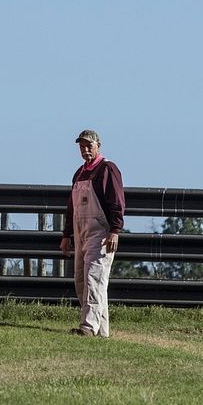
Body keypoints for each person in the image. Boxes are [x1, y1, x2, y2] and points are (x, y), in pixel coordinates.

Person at [59, 129, 124, 337]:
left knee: (93, 279)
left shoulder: (107, 169)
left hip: (101, 233)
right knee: (81, 280)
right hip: (80, 233)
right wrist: (66, 235)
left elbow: (116, 202)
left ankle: (87, 327)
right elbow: (71, 207)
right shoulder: (79, 173)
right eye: (82, 146)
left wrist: (115, 230)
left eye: (89, 146)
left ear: (98, 146)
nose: (85, 150)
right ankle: (101, 331)